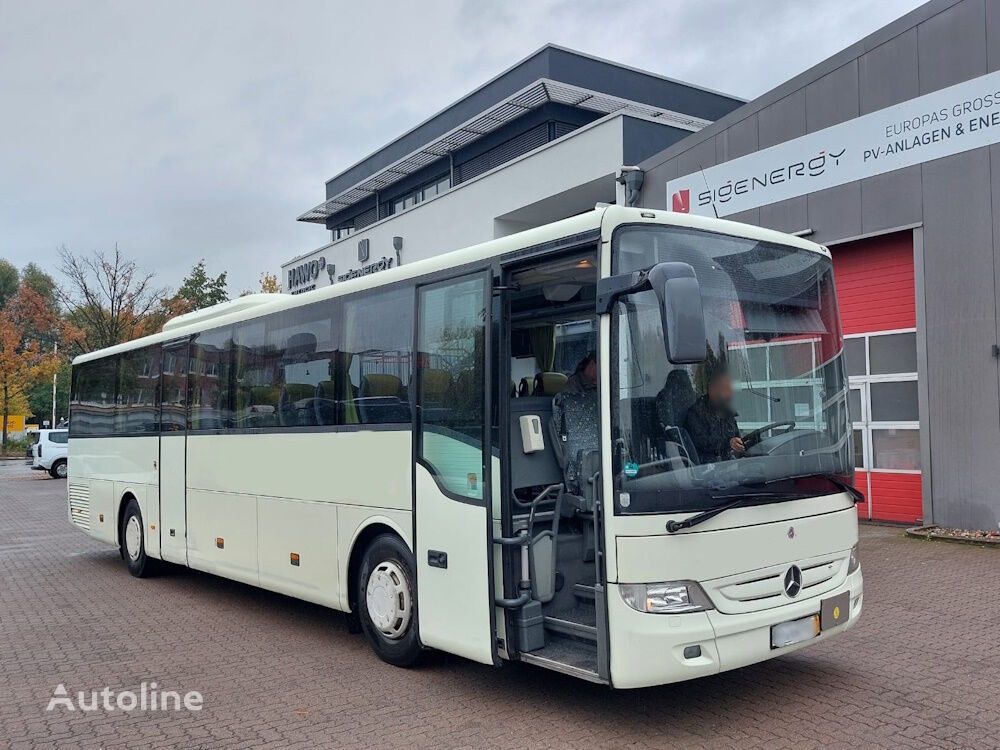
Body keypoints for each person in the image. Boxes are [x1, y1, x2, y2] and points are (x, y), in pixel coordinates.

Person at [683, 367, 744, 463]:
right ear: (712, 389)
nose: (729, 394)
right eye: (725, 389)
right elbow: (702, 442)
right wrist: (728, 443)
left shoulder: (726, 412)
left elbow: (736, 435)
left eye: (729, 389)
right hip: (706, 469)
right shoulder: (695, 413)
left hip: (729, 464)